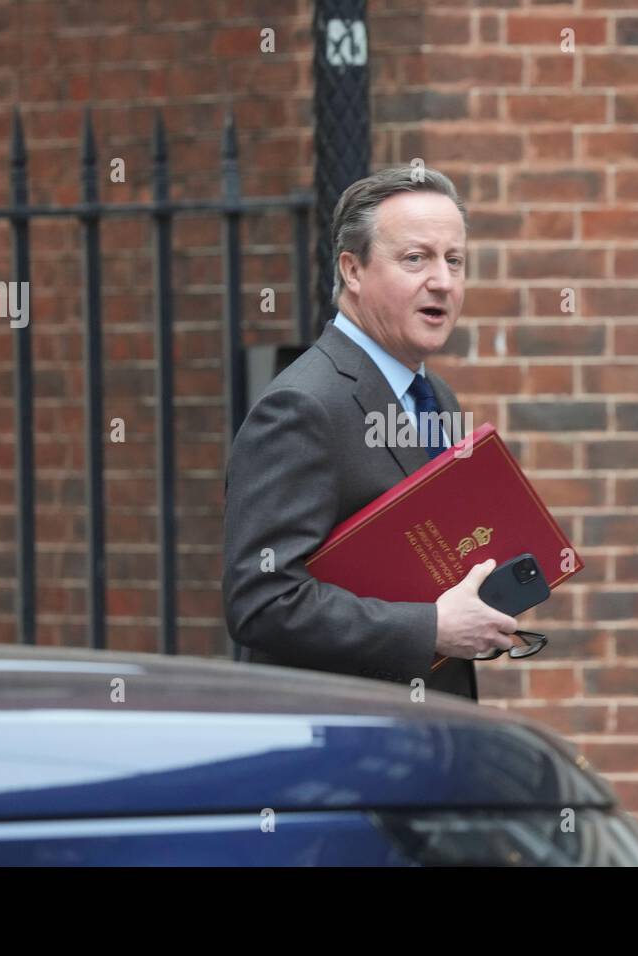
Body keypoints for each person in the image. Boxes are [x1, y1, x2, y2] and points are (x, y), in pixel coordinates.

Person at [222, 166, 520, 700]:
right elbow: (263, 601)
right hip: (345, 743)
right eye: (415, 258)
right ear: (352, 271)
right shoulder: (301, 406)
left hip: (431, 730)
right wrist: (431, 628)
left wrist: (478, 603)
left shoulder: (437, 397)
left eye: (455, 260)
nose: (443, 281)